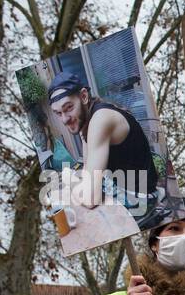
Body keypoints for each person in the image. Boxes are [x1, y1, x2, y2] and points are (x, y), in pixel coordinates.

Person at [47, 71, 162, 216]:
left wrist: (73, 185)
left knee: (75, 209)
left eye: (69, 108)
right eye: (58, 113)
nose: (64, 119)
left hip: (142, 200)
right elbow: (86, 170)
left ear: (83, 96)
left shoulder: (101, 118)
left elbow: (90, 199)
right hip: (122, 189)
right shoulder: (88, 121)